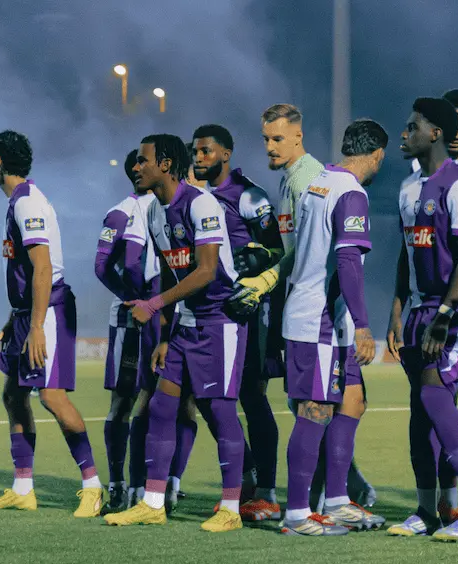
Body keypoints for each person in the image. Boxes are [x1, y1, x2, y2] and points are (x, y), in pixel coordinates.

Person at [233, 103, 378, 511]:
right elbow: (299, 251)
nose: (270, 147)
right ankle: (326, 499)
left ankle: (336, 494)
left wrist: (267, 277)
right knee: (320, 404)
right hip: (315, 312)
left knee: (337, 402)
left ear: (298, 137)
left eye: (277, 139)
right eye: (265, 139)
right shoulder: (293, 181)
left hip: (324, 312)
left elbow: (308, 254)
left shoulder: (310, 181)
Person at [104, 133, 246, 533]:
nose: (136, 167)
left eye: (143, 160)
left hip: (220, 321)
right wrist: (165, 335)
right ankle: (152, 502)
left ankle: (231, 509)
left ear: (166, 164)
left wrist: (154, 304)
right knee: (161, 409)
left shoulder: (202, 203)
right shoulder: (151, 211)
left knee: (219, 412)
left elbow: (205, 270)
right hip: (184, 324)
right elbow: (171, 268)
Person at [386, 98, 458, 541]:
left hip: (455, 309)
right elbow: (406, 253)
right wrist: (396, 311)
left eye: (412, 127)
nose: (404, 134)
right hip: (417, 310)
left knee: (435, 399)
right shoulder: (408, 187)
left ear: (434, 133)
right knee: (420, 412)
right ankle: (428, 510)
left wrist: (445, 316)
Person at [0, 130, 103, 518]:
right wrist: (12, 320)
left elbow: (43, 267)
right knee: (14, 395)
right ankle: (22, 488)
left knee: (52, 397)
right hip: (28, 314)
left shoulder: (28, 203)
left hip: (47, 313)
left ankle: (92, 487)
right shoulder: (18, 201)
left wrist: (35, 326)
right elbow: (24, 273)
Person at [279, 118, 387, 536]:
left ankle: (338, 501)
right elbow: (346, 261)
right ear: (376, 155)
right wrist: (363, 325)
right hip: (319, 320)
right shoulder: (351, 193)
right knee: (315, 411)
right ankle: (297, 515)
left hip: (323, 316)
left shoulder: (319, 183)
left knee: (350, 403)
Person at [192, 124, 284, 520]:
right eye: (195, 152)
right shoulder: (195, 197)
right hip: (207, 312)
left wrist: (254, 262)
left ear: (225, 154)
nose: (198, 158)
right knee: (207, 396)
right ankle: (244, 477)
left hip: (246, 310)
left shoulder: (249, 196)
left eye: (206, 151)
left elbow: (278, 249)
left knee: (251, 395)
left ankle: (265, 491)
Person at [93, 149, 162, 512]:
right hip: (154, 314)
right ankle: (140, 487)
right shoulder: (153, 208)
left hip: (133, 315)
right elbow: (118, 264)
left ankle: (122, 485)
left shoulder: (119, 211)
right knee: (152, 400)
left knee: (125, 403)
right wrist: (142, 300)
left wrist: (131, 299)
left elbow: (102, 266)